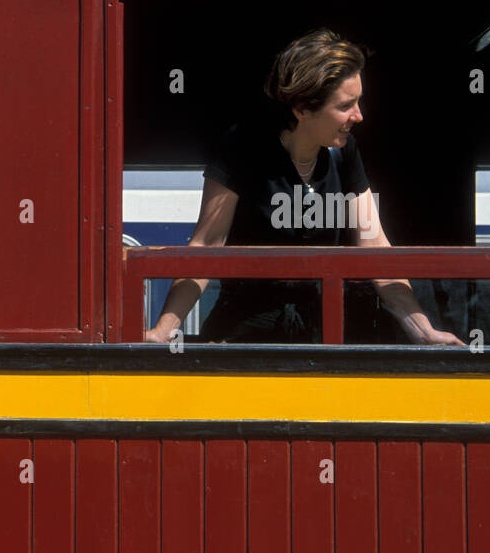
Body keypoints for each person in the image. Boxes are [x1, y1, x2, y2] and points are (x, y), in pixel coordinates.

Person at [144, 28, 463, 346]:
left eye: (359, 102)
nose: (359, 116)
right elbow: (206, 247)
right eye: (346, 105)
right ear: (302, 109)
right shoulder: (242, 147)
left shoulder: (345, 152)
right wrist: (164, 331)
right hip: (246, 335)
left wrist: (424, 332)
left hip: (323, 335)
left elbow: (375, 248)